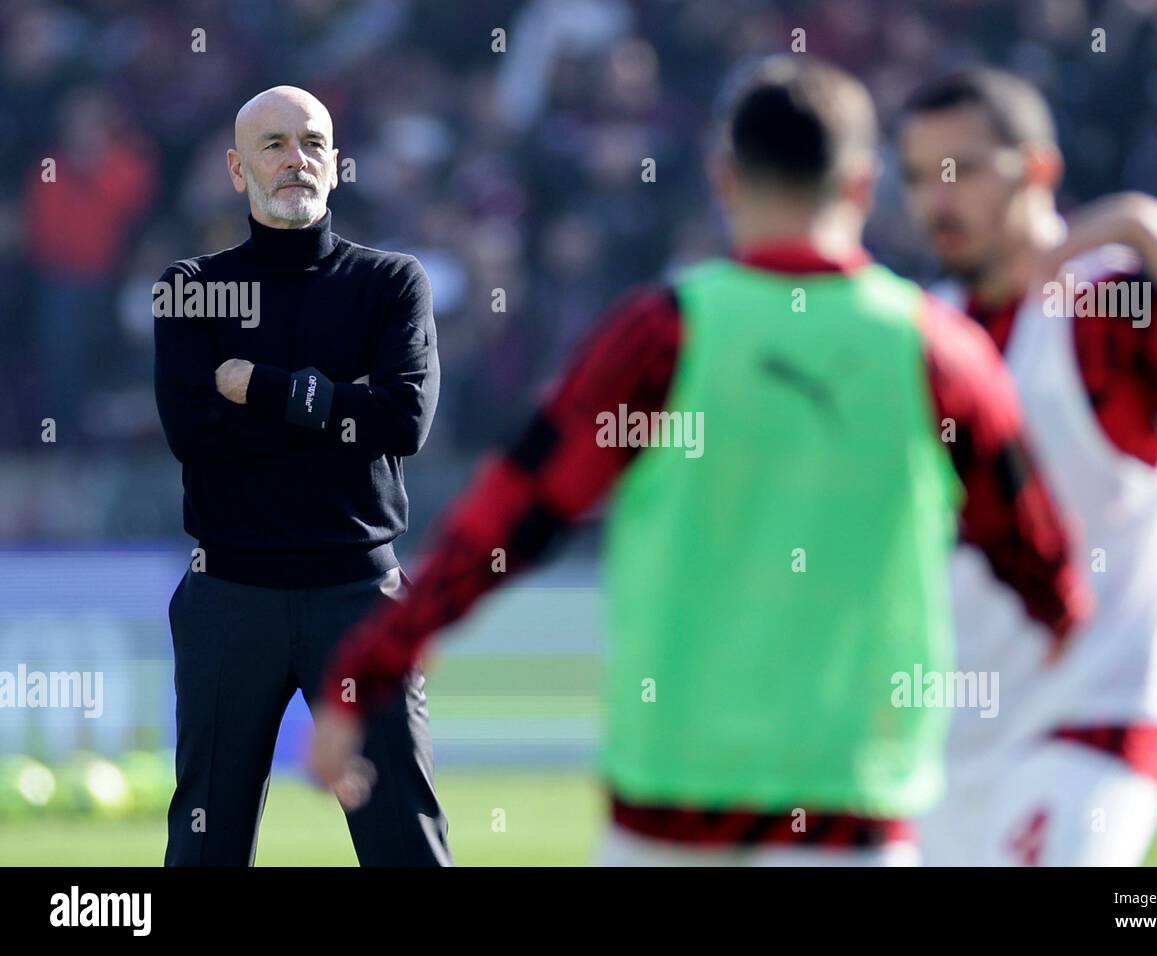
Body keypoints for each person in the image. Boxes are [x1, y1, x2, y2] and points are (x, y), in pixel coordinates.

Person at [310, 57, 1090, 866]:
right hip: (854, 805)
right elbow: (1041, 560)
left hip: (670, 807)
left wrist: (367, 674)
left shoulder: (662, 336)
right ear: (862, 186)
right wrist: (1063, 623)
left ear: (726, 182)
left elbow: (506, 519)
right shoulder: (938, 351)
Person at [899, 68, 1157, 866]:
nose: (936, 200)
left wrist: (1150, 229)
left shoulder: (1101, 305)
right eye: (916, 177)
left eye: (963, 171)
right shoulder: (922, 327)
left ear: (1039, 171)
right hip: (947, 737)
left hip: (1092, 716)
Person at [154, 85, 449, 865]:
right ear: (235, 168)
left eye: (312, 143)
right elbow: (192, 433)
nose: (295, 160)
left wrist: (260, 386)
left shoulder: (391, 282)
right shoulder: (192, 286)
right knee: (204, 848)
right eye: (275, 144)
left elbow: (404, 424)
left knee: (405, 846)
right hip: (229, 598)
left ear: (337, 164)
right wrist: (336, 407)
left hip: (359, 597)